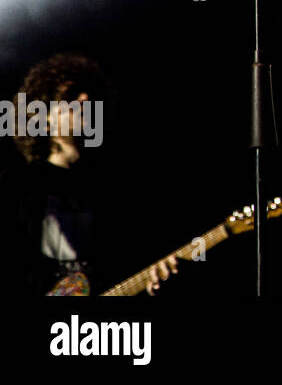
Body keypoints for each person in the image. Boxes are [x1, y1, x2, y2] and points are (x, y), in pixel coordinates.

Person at [0, 53, 178, 296]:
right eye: (70, 98)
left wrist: (152, 280)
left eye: (88, 95)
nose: (84, 99)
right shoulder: (16, 186)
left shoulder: (115, 186)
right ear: (44, 119)